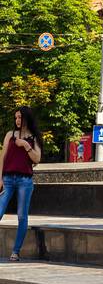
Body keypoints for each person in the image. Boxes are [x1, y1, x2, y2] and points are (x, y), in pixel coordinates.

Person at [0, 107, 42, 261]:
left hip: (25, 181)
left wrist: (25, 145)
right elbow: (2, 158)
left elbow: (37, 159)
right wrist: (0, 179)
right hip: (8, 179)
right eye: (16, 117)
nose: (17, 120)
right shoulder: (9, 135)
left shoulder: (34, 138)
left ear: (26, 118)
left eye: (20, 117)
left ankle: (15, 252)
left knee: (21, 216)